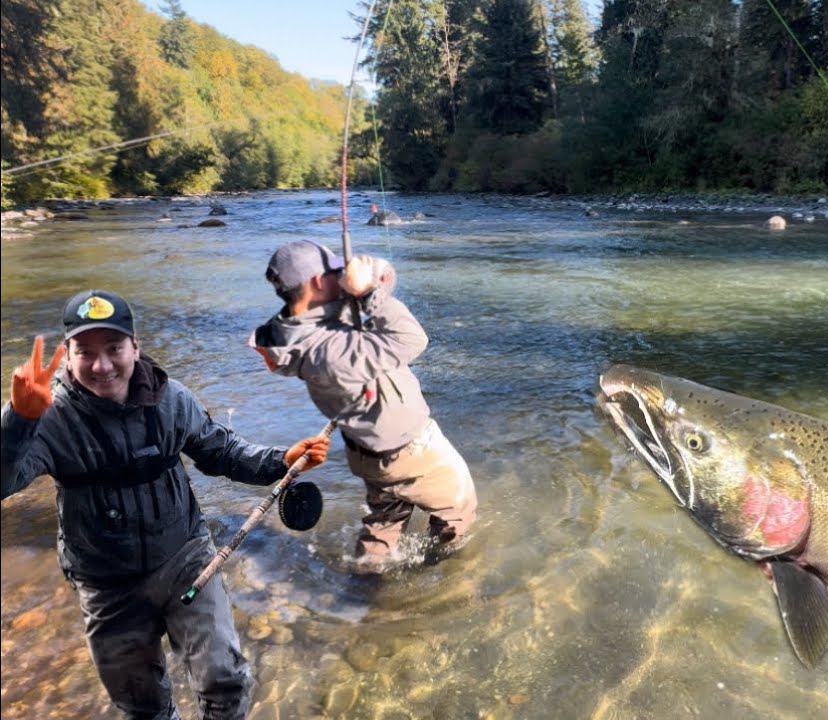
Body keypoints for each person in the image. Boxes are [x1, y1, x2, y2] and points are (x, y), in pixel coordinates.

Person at [1, 289, 331, 720]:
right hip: (104, 579)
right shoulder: (48, 416)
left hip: (185, 558)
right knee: (142, 705)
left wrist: (281, 460)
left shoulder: (171, 399)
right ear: (68, 356)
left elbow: (222, 452)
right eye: (85, 352)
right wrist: (18, 421)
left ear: (135, 347)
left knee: (224, 681)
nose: (102, 365)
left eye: (114, 348)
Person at [252, 240, 477, 569]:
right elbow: (412, 339)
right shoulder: (329, 352)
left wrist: (367, 285)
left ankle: (366, 580)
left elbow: (383, 283)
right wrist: (368, 293)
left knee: (385, 522)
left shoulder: (297, 327)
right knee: (459, 510)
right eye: (334, 271)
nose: (341, 275)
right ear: (317, 281)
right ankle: (446, 573)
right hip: (409, 451)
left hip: (369, 452)